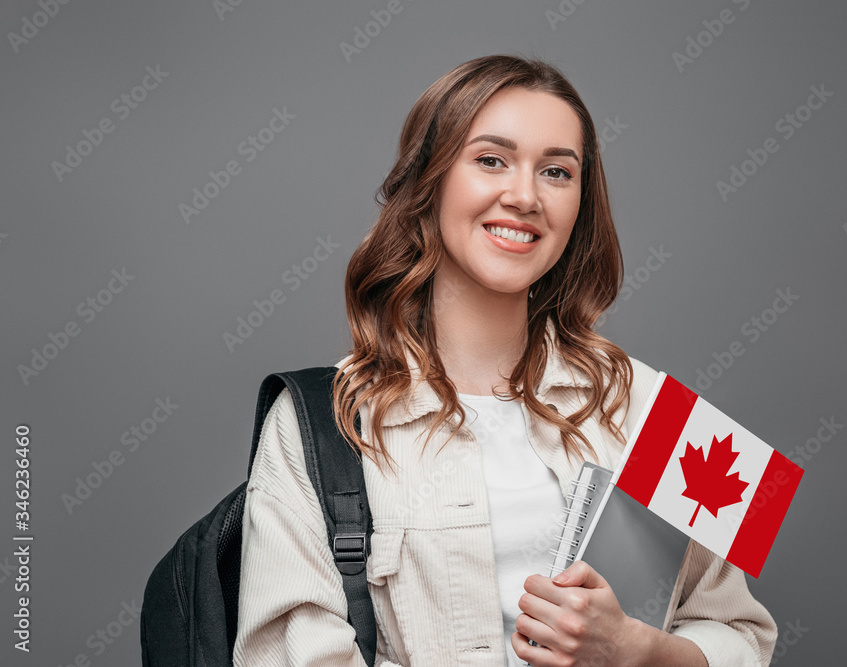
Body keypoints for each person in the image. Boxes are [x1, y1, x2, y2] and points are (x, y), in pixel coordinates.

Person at [234, 54, 777, 666]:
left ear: (579, 205)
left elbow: (742, 635)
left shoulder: (649, 405)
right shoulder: (320, 422)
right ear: (429, 182)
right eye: (491, 160)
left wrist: (635, 650)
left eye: (556, 172)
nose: (524, 196)